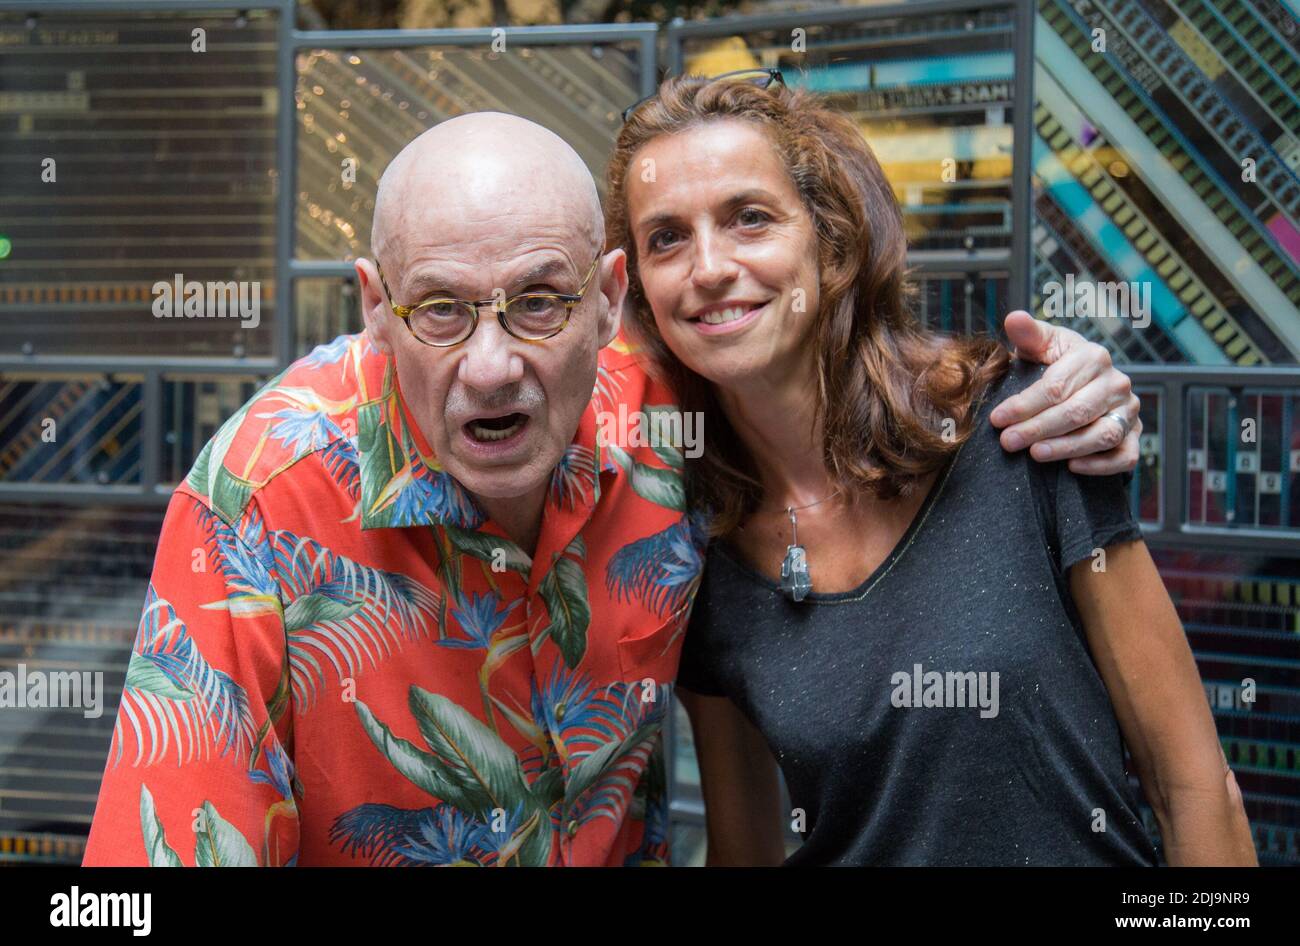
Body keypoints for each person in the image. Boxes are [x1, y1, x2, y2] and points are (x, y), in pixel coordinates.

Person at [84, 111, 1140, 867]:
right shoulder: (261, 496)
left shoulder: (679, 419)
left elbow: (846, 377)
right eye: (440, 311)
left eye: (540, 302)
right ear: (374, 305)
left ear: (607, 298)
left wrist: (1071, 384)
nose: (492, 364)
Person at [605, 74, 1257, 865]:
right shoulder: (693, 539)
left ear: (831, 240)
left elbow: (1191, 787)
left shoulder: (1024, 428)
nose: (708, 267)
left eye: (750, 218)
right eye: (667, 238)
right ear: (637, 282)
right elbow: (747, 850)